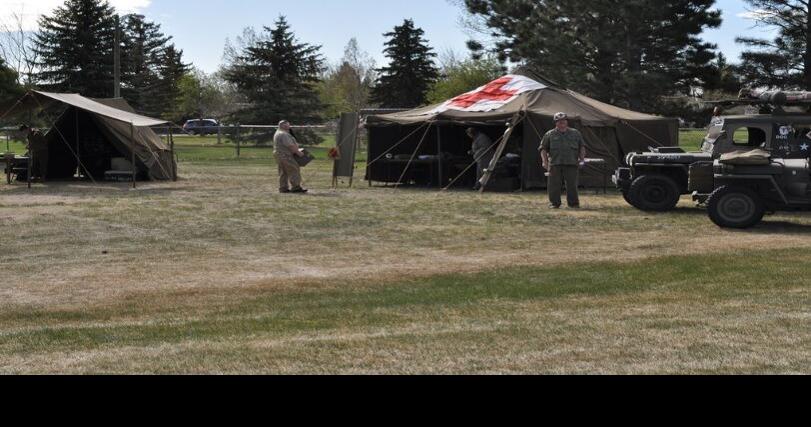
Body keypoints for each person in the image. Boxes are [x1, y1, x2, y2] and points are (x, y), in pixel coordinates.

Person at [540, 113, 586, 209]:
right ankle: (554, 203)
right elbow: (543, 149)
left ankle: (573, 204)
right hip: (555, 163)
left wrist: (582, 160)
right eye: (559, 121)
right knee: (554, 185)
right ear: (556, 123)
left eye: (564, 120)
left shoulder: (575, 133)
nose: (562, 123)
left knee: (572, 185)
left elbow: (582, 147)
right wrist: (544, 161)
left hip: (571, 163)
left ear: (567, 122)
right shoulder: (550, 134)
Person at [273, 120, 308, 194]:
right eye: (287, 125)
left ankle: (283, 188)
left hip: (279, 155)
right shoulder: (284, 134)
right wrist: (298, 152)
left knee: (283, 172)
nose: (289, 126)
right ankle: (296, 187)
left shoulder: (278, 133)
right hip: (286, 155)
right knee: (294, 169)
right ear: (283, 126)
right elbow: (290, 145)